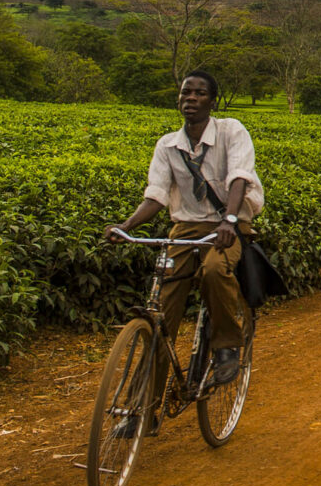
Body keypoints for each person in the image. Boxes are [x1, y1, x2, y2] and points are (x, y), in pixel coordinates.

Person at [105, 70, 264, 423]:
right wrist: (126, 226)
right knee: (161, 312)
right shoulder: (167, 145)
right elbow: (157, 195)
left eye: (199, 93)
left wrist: (230, 220)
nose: (190, 98)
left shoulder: (231, 131)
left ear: (212, 100)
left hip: (229, 222)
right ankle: (142, 409)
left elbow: (240, 176)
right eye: (185, 93)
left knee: (213, 269)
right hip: (186, 226)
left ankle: (226, 347)